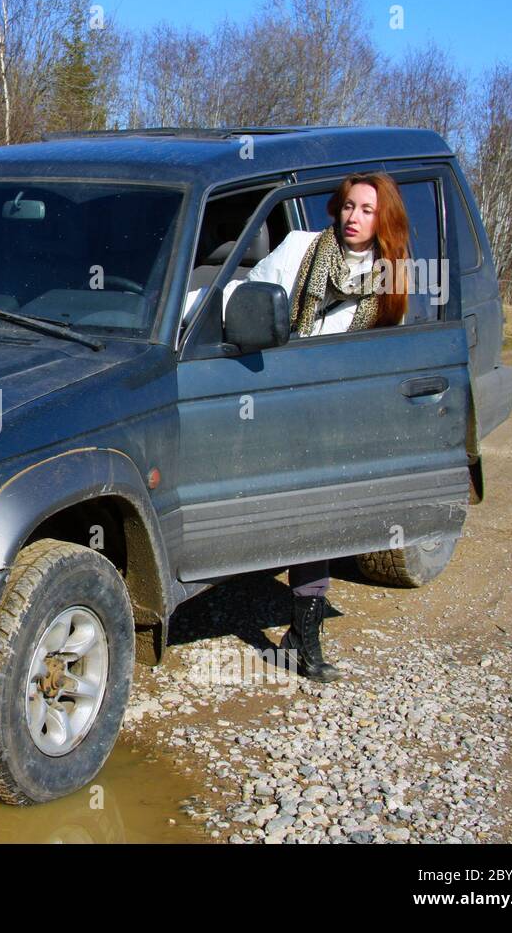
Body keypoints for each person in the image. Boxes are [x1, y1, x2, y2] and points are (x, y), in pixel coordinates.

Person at [185, 172, 411, 681]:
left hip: (334, 407)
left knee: (320, 517)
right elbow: (242, 293)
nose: (353, 218)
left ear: (385, 219)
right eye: (349, 206)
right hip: (275, 389)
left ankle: (304, 634)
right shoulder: (302, 247)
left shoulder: (391, 276)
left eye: (367, 210)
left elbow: (386, 349)